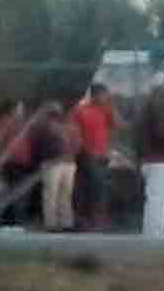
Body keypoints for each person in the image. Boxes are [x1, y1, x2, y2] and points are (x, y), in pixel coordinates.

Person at [68, 83, 119, 232]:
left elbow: (117, 124)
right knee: (91, 187)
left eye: (107, 95)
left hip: (103, 155)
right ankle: (85, 220)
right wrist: (81, 148)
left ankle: (96, 220)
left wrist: (111, 106)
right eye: (104, 95)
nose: (106, 98)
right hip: (87, 154)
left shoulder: (106, 110)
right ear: (95, 95)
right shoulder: (80, 110)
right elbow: (73, 131)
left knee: (99, 187)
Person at [136, 80, 164, 239]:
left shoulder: (146, 109)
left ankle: (151, 233)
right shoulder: (162, 110)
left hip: (150, 159)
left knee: (155, 199)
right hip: (163, 159)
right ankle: (155, 234)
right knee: (160, 199)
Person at [31, 101, 78, 232]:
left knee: (58, 194)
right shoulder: (47, 127)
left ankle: (61, 223)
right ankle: (57, 223)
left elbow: (77, 143)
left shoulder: (63, 127)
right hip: (57, 162)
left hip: (61, 163)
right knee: (57, 193)